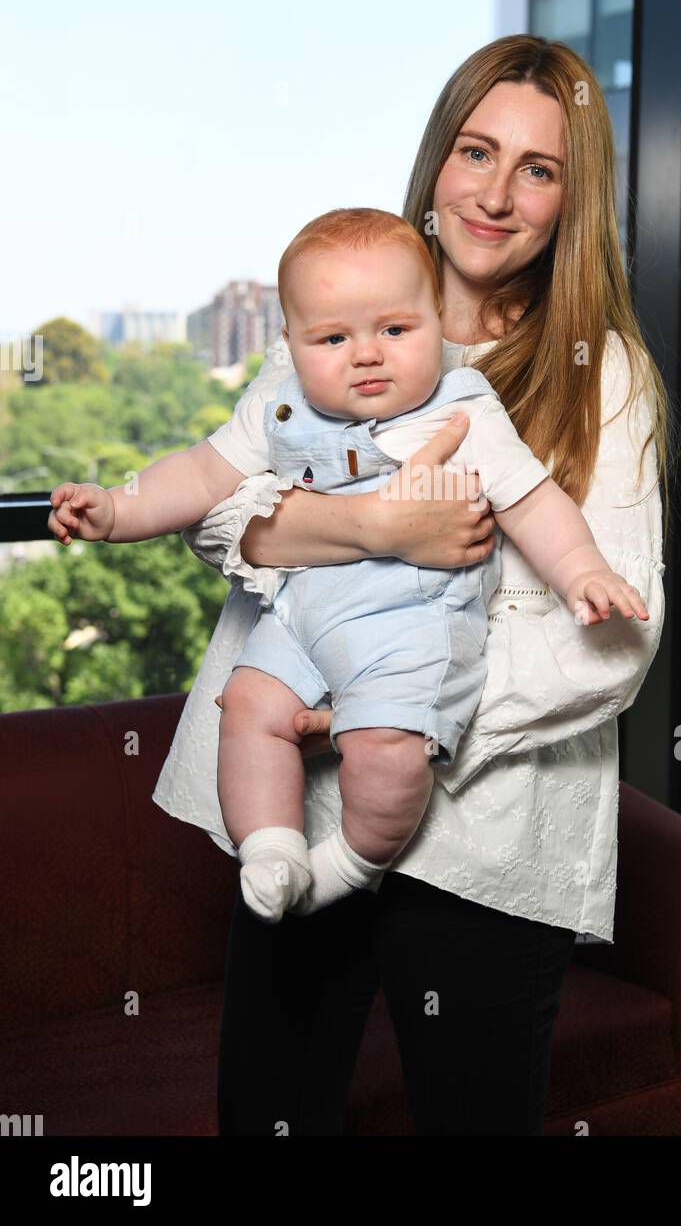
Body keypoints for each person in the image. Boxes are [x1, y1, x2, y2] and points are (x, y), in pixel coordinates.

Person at [155, 35, 673, 1135]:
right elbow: (215, 512)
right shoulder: (349, 306)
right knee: (267, 1115)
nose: (495, 192)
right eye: (475, 152)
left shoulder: (603, 371)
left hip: (487, 837)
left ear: (569, 201)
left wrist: (384, 712)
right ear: (436, 164)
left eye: (537, 168)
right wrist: (376, 525)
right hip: (294, 806)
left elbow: (614, 637)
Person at [47, 202, 649, 927]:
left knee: (387, 747)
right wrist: (117, 509)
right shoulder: (279, 405)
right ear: (291, 342)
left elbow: (531, 500)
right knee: (247, 708)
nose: (366, 354)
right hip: (301, 614)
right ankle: (270, 847)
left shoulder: (464, 407)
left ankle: (348, 861)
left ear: (437, 321)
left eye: (395, 330)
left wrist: (581, 568)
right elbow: (202, 477)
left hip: (409, 626)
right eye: (332, 337)